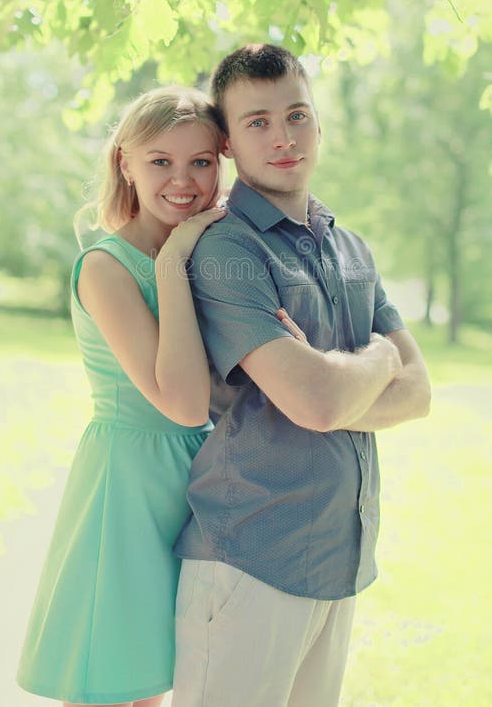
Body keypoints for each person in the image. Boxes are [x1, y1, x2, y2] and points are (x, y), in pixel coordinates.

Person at [172, 44, 432, 707]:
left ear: (319, 122)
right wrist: (375, 360)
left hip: (337, 556)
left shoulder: (349, 247)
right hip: (248, 560)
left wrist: (331, 378)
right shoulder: (227, 248)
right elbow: (316, 403)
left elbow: (418, 393)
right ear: (227, 142)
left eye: (297, 115)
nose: (283, 137)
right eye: (257, 121)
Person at [17, 86, 227, 707]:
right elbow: (184, 404)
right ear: (124, 165)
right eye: (160, 161)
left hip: (198, 479)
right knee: (109, 678)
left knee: (157, 681)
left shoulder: (210, 254)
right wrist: (171, 264)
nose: (183, 180)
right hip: (129, 481)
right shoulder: (108, 268)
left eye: (201, 161)